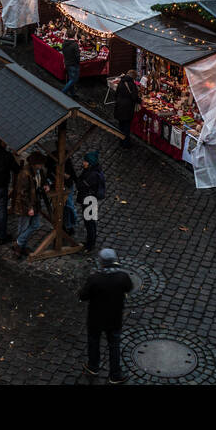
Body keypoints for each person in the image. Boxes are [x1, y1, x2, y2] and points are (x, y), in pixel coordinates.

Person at [78, 248, 134, 383]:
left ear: (101, 262)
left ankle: (93, 367)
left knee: (93, 342)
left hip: (95, 318)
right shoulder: (122, 277)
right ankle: (115, 374)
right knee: (114, 345)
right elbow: (129, 287)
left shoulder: (94, 279)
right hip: (114, 318)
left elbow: (83, 295)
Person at [12, 154, 43, 259]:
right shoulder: (25, 174)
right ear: (36, 164)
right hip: (25, 205)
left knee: (36, 224)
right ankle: (19, 247)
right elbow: (22, 193)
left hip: (35, 203)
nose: (42, 166)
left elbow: (39, 183)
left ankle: (19, 243)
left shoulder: (37, 171)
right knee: (23, 226)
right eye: (40, 164)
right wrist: (29, 207)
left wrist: (45, 184)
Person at [75, 151, 106, 251]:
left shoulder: (92, 174)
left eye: (85, 161)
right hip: (89, 199)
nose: (83, 162)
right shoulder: (91, 171)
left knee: (90, 223)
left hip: (89, 200)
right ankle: (90, 242)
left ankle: (90, 245)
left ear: (90, 162)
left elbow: (80, 185)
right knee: (89, 222)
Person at [113, 71, 141, 150]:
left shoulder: (121, 82)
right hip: (127, 108)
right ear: (133, 77)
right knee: (127, 127)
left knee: (121, 125)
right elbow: (134, 97)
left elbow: (116, 94)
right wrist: (140, 101)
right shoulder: (132, 85)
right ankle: (126, 143)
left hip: (119, 107)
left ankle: (121, 141)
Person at [61, 31, 82, 97]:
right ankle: (63, 91)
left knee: (71, 78)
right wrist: (78, 62)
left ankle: (72, 93)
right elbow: (77, 55)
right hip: (73, 64)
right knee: (74, 79)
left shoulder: (64, 43)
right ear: (73, 36)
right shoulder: (75, 44)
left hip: (67, 63)